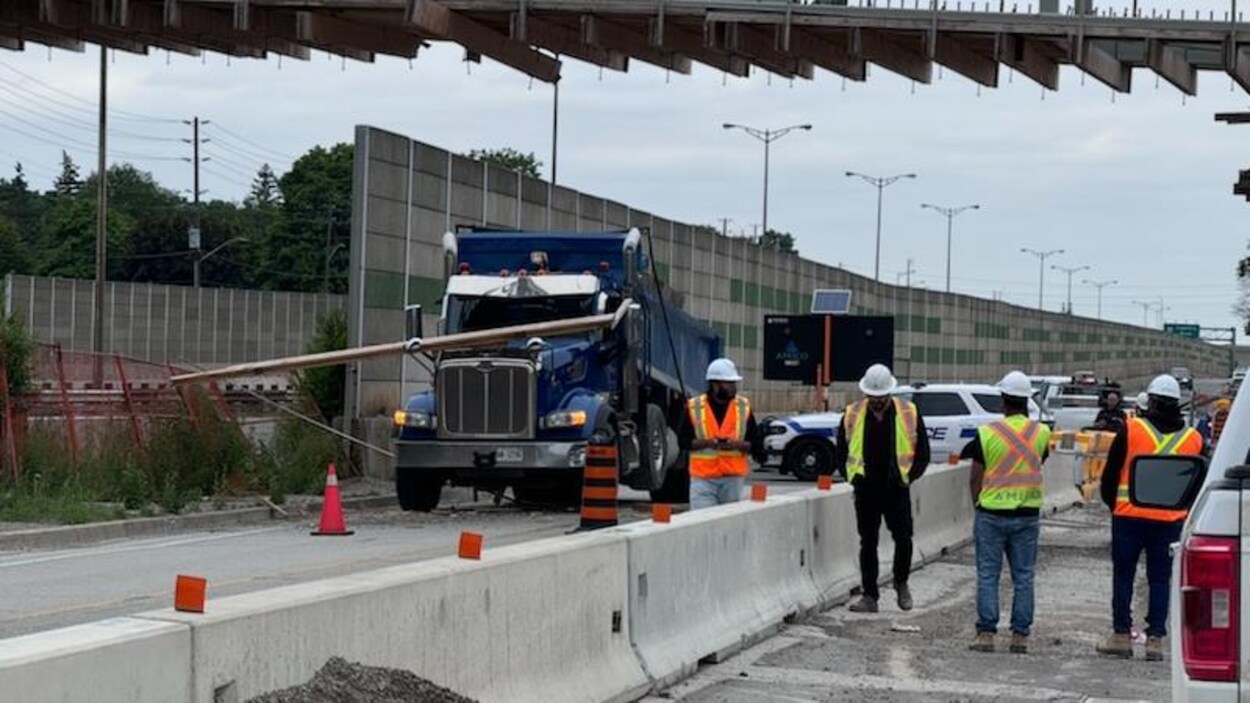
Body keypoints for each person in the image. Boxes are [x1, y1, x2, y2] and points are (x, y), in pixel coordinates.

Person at [1097, 374, 1206, 661]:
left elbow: (1109, 477)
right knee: (1160, 579)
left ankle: (1121, 635)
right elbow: (1198, 482)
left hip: (1128, 518)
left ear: (1152, 400)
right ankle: (1155, 639)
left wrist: (1115, 507)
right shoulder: (1193, 439)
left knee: (1124, 576)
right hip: (1169, 521)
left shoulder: (1131, 429)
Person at [961, 371, 1051, 654]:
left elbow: (975, 476)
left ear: (1003, 400)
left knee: (988, 574)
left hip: (991, 513)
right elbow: (1039, 462)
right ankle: (1019, 636)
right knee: (1024, 576)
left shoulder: (988, 433)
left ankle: (986, 634)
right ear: (1027, 401)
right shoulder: (1042, 433)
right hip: (1026, 514)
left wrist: (978, 503)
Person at [834, 363, 931, 613]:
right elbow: (841, 451)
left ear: (890, 393)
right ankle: (870, 595)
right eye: (872, 397)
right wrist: (851, 476)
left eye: (881, 397)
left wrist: (908, 477)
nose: (876, 401)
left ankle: (901, 582)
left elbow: (922, 454)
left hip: (896, 488)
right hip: (866, 489)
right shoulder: (852, 413)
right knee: (868, 542)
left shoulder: (908, 412)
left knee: (904, 539)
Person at [678, 358, 764, 510]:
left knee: (728, 527)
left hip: (732, 479)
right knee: (701, 522)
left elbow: (756, 443)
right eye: (729, 383)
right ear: (715, 384)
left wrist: (737, 445)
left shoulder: (743, 407)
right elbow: (683, 441)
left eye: (733, 383)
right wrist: (708, 443)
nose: (733, 387)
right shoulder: (694, 407)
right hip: (703, 479)